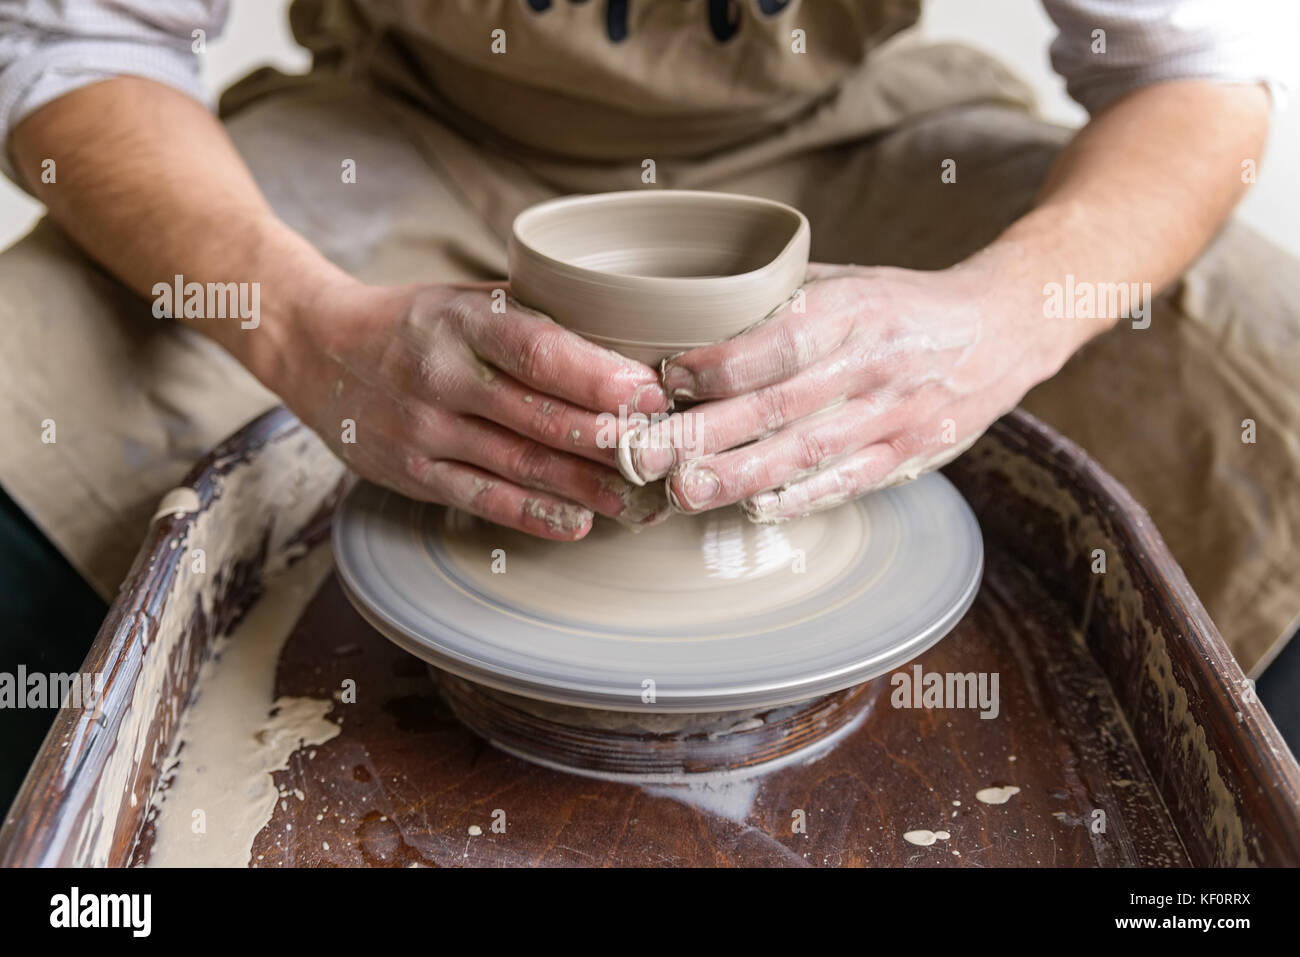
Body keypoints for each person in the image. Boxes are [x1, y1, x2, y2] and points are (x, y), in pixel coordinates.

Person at [0, 0, 1297, 813]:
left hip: (841, 147)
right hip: (402, 136)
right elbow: (77, 38)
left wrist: (1001, 318)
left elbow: (1195, 65)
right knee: (22, 371)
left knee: (1266, 376)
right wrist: (303, 329)